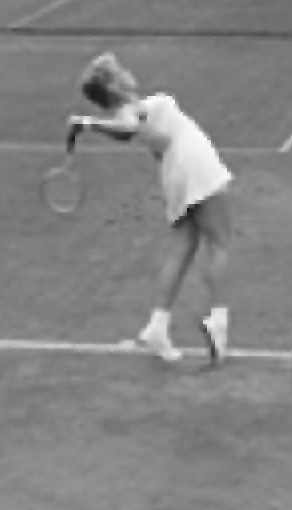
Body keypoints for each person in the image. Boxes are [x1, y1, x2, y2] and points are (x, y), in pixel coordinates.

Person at [67, 53, 235, 366]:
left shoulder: (127, 109)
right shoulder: (131, 109)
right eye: (120, 72)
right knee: (220, 241)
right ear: (114, 84)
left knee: (183, 248)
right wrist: (88, 123)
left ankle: (157, 325)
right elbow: (130, 127)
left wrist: (90, 124)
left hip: (176, 172)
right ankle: (219, 319)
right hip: (195, 165)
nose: (128, 73)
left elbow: (135, 131)